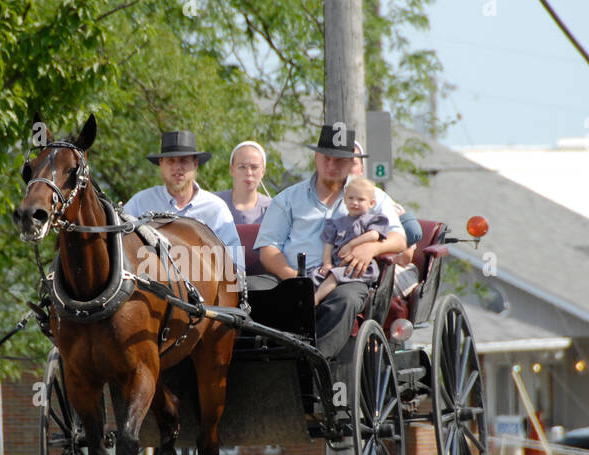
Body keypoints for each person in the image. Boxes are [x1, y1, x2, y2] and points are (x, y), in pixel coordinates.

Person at [255, 124, 407, 358]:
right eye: (326, 158)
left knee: (344, 300)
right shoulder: (287, 199)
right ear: (316, 157)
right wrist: (292, 277)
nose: (332, 165)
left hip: (347, 278)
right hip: (294, 277)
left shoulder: (369, 196)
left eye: (340, 160)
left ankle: (316, 363)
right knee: (252, 290)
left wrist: (373, 247)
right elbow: (268, 249)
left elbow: (399, 239)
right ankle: (259, 365)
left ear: (351, 162)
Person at [124, 130, 245, 283]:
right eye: (171, 161)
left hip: (203, 295)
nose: (177, 167)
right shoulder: (139, 202)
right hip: (150, 294)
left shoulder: (215, 208)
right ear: (161, 164)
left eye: (183, 161)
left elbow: (235, 264)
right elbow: (120, 249)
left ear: (195, 164)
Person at [350, 139, 423, 299]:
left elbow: (406, 251)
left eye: (352, 163)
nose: (346, 168)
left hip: (384, 267)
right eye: (339, 162)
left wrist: (373, 249)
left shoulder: (378, 198)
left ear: (361, 168)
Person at [312, 177, 391, 306]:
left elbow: (373, 235)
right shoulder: (336, 223)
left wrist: (351, 244)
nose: (355, 202)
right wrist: (327, 263)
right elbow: (329, 245)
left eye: (361, 199)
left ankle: (316, 299)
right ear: (344, 200)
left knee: (333, 276)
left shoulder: (371, 220)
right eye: (351, 198)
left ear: (371, 203)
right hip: (338, 265)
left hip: (358, 268)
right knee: (314, 276)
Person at [215, 140, 272, 224]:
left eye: (254, 167)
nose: (249, 173)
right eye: (242, 167)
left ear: (263, 171)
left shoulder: (272, 209)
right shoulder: (215, 203)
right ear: (232, 170)